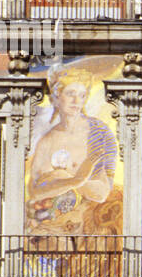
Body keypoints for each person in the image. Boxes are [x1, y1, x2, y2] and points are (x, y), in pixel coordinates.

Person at [26, 68, 117, 234]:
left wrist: (61, 178)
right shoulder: (47, 140)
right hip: (49, 229)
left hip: (87, 231)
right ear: (56, 98)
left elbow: (102, 193)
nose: (76, 100)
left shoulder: (98, 133)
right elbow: (35, 191)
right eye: (70, 93)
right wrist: (75, 180)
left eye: (82, 95)